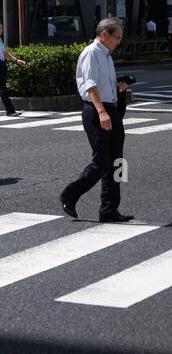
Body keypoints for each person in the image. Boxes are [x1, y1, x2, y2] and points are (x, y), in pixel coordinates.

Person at [60, 18, 135, 223]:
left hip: (109, 108)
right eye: (116, 37)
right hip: (96, 110)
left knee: (117, 161)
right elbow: (90, 86)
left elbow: (104, 87)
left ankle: (110, 210)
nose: (119, 41)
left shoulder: (107, 56)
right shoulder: (92, 52)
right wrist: (102, 112)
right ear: (104, 34)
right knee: (102, 161)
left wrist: (120, 88)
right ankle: (70, 194)